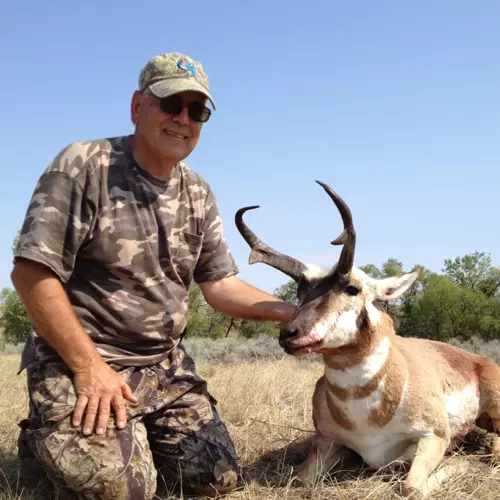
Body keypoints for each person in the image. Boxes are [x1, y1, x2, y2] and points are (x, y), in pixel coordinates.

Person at [12, 51, 295, 500]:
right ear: (138, 106)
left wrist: (295, 314)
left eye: (197, 111)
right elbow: (31, 274)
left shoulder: (199, 192)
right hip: (84, 361)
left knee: (216, 481)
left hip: (163, 367)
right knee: (124, 489)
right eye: (171, 104)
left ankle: (127, 436)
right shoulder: (85, 165)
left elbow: (220, 285)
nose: (184, 119)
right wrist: (89, 368)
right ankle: (43, 440)